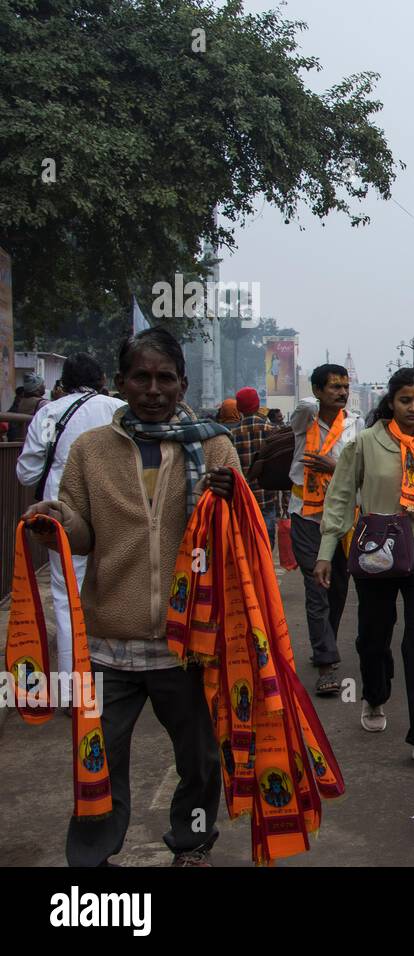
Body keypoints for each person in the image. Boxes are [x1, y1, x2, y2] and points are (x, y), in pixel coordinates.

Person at [23, 328, 238, 866]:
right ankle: (92, 860)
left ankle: (191, 844)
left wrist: (234, 503)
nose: (153, 389)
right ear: (120, 383)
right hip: (108, 644)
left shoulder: (213, 446)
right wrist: (58, 523)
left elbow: (237, 537)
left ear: (182, 383)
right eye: (140, 377)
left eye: (165, 377)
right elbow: (83, 531)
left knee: (198, 760)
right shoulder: (92, 451)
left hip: (185, 642)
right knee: (98, 759)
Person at [315, 369, 414, 768]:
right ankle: (375, 693)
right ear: (391, 402)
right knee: (373, 634)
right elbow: (340, 497)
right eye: (406, 400)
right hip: (375, 549)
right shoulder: (365, 444)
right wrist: (326, 550)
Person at [15, 353, 125, 676]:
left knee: (66, 600)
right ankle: (115, 679)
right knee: (113, 590)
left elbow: (26, 473)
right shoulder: (115, 409)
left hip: (62, 516)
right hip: (113, 512)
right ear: (102, 381)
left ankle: (75, 691)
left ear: (62, 383)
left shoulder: (49, 413)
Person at [288, 364, 357, 696]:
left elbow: (356, 470)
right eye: (334, 387)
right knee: (317, 585)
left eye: (345, 387)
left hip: (341, 519)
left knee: (339, 588)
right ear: (318, 391)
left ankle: (323, 643)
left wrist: (335, 465)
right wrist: (318, 401)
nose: (342, 392)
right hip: (305, 515)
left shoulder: (353, 425)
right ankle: (327, 662)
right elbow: (302, 405)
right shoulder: (305, 420)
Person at [228, 386, 278, 547]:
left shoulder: (231, 435)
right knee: (266, 546)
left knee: (246, 546)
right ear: (257, 406)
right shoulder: (271, 430)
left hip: (243, 499)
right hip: (267, 497)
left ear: (239, 408)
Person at [8, 372, 49, 444]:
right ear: (38, 388)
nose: (45, 386)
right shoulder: (42, 403)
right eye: (42, 384)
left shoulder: (22, 401)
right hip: (35, 442)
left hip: (23, 441)